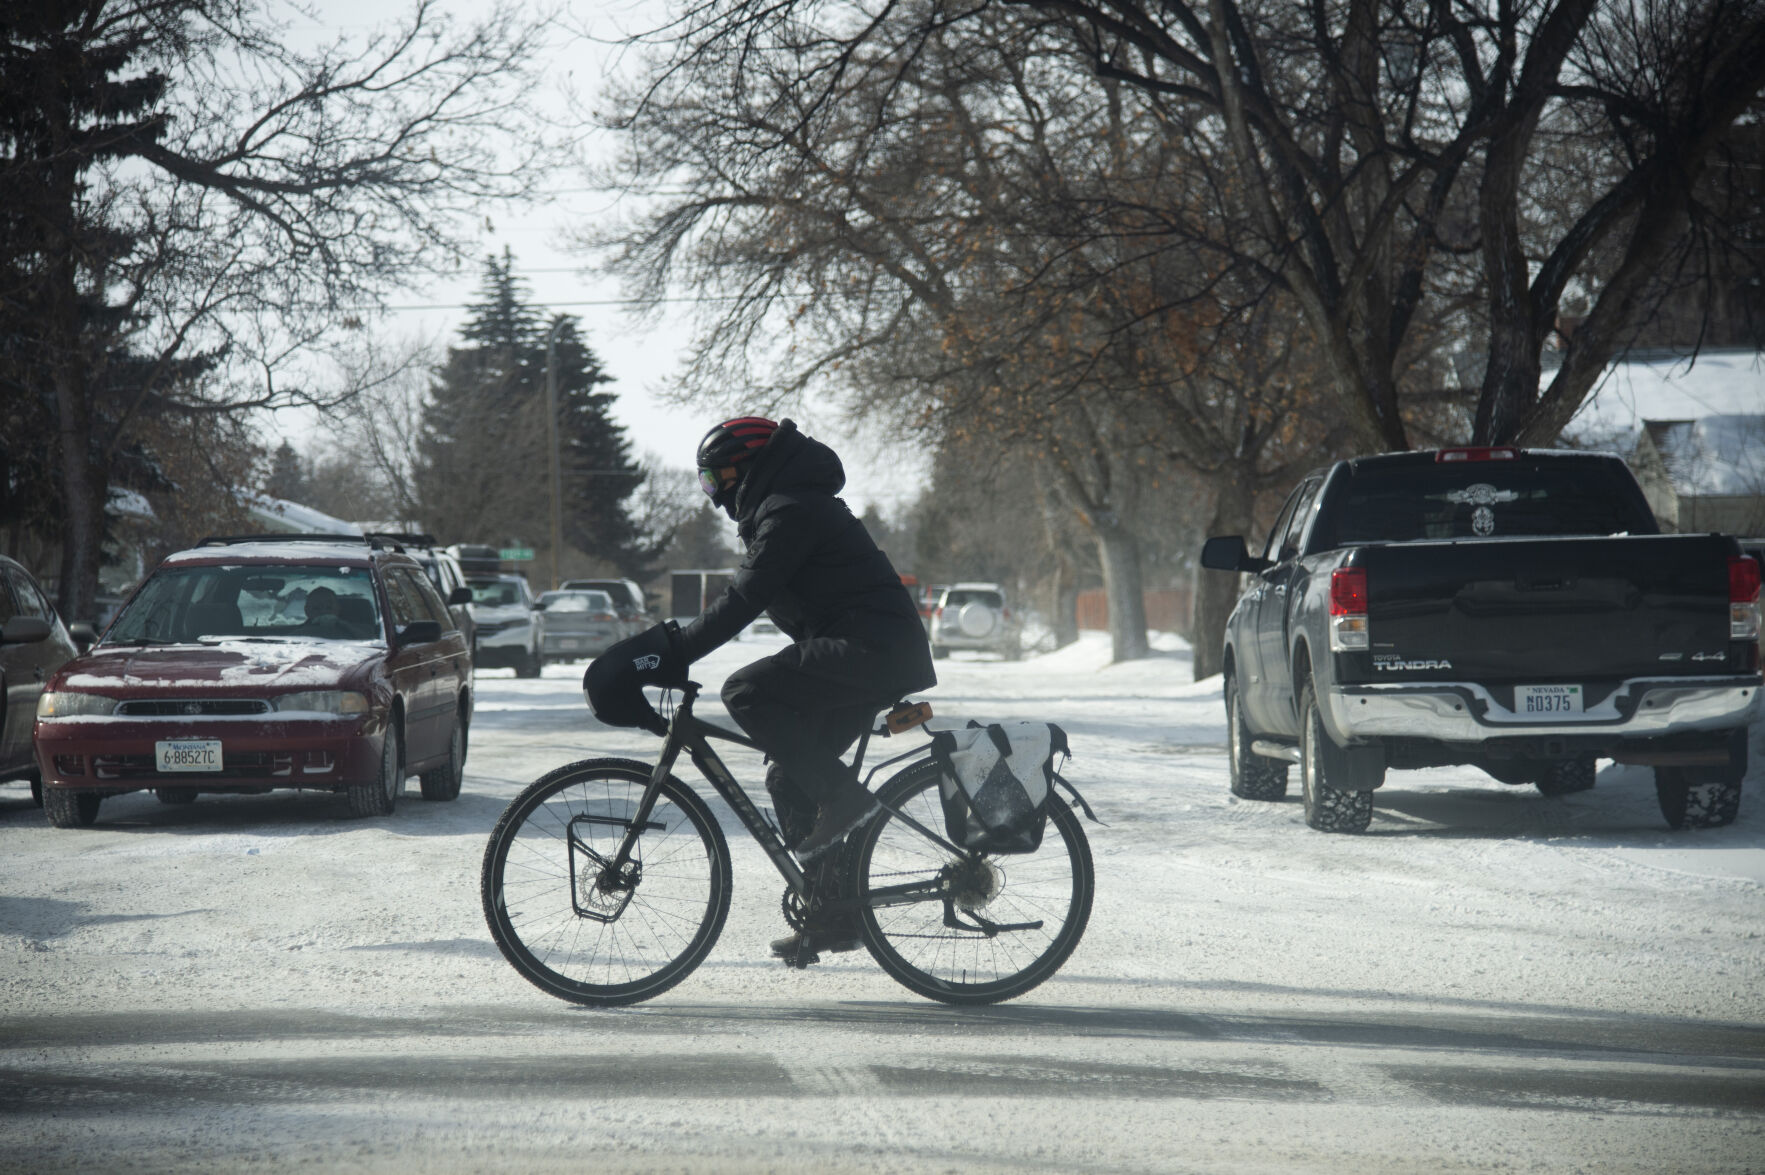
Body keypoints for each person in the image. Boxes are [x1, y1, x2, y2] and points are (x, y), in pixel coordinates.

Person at [586, 416, 935, 958]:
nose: (713, 493)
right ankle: (836, 914)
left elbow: (742, 601)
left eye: (713, 479)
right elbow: (745, 598)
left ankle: (845, 797)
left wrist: (671, 651)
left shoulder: (792, 510)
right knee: (788, 778)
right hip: (864, 653)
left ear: (744, 466)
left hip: (873, 652)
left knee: (745, 690)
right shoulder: (786, 507)